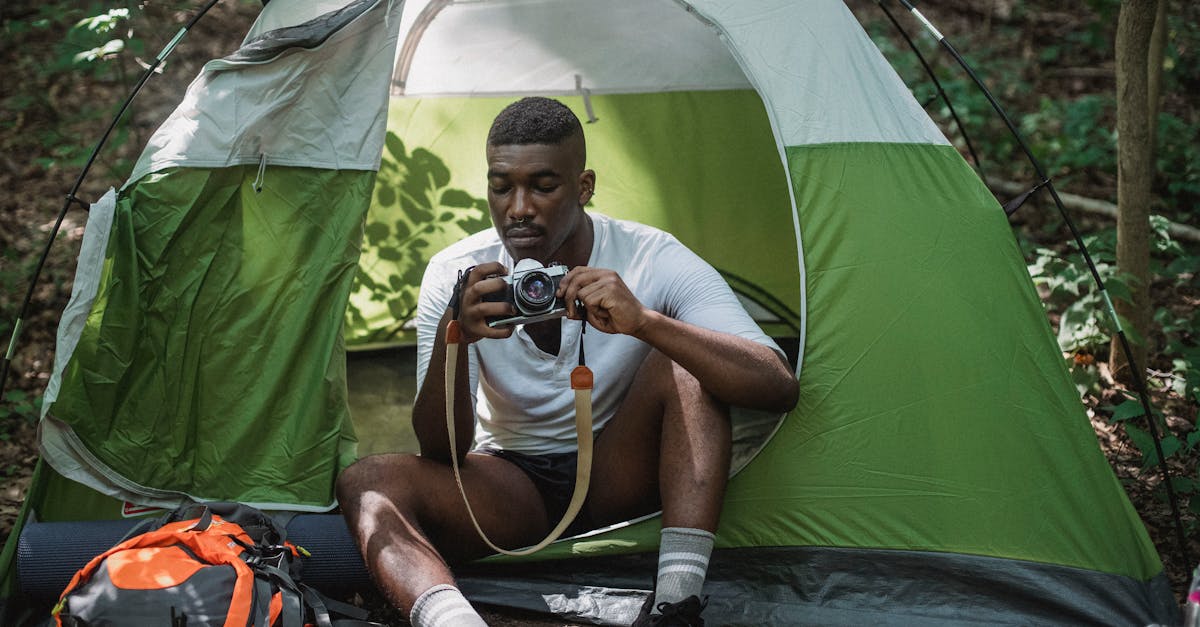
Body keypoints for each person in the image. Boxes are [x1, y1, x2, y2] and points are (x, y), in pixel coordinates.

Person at [337, 97, 798, 627]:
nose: (518, 208)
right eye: (501, 185)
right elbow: (442, 451)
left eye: (543, 186)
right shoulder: (459, 273)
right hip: (512, 485)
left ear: (583, 187)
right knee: (366, 481)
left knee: (688, 361)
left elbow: (776, 383)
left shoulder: (650, 256)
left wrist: (646, 323)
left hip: (620, 471)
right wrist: (455, 335)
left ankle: (677, 604)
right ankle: (454, 621)